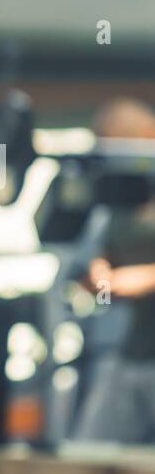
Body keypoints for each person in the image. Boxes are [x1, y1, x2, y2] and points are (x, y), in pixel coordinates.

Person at [70, 98, 155, 443]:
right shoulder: (117, 196)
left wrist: (141, 279)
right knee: (91, 453)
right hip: (134, 353)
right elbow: (95, 257)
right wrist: (99, 271)